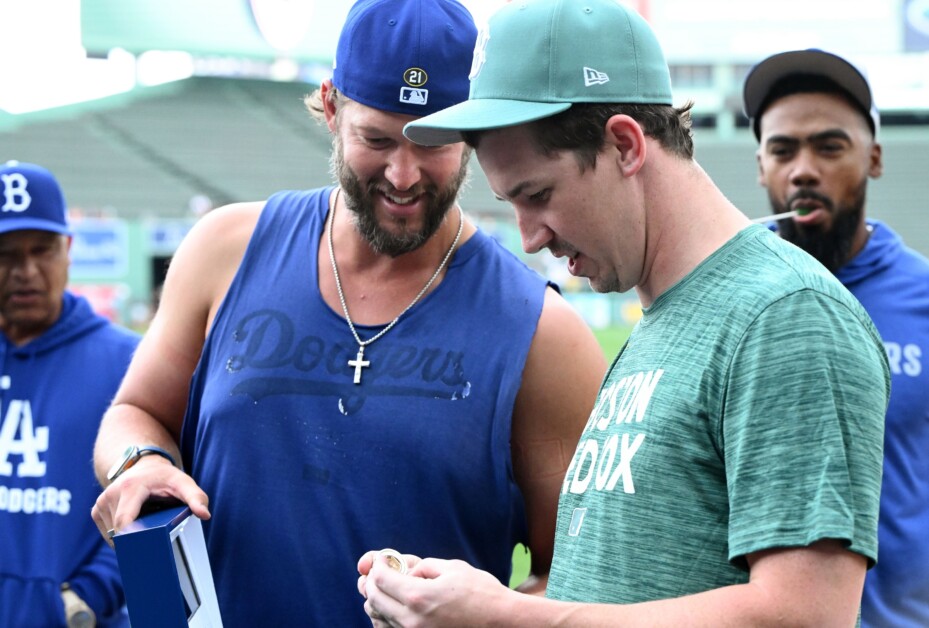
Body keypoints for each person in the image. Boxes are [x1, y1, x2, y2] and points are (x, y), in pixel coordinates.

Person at [357, 0, 891, 625]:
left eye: (538, 195)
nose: (530, 238)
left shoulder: (787, 315)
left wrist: (508, 619)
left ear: (624, 144)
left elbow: (806, 615)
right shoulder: (668, 309)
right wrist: (457, 604)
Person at [89, 0, 606, 625]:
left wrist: (489, 616)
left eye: (434, 141)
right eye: (378, 138)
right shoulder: (223, 249)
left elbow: (585, 583)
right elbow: (134, 412)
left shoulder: (543, 335)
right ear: (332, 108)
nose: (404, 174)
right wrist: (137, 463)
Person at [743, 49, 929, 627]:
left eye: (829, 147)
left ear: (872, 158)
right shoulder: (729, 297)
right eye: (782, 150)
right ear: (760, 167)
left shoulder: (922, 298)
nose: (803, 169)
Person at [0, 161, 140, 627]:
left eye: (42, 250)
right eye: (5, 254)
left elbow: (155, 505)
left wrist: (86, 597)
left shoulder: (130, 363)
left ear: (68, 249)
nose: (25, 271)